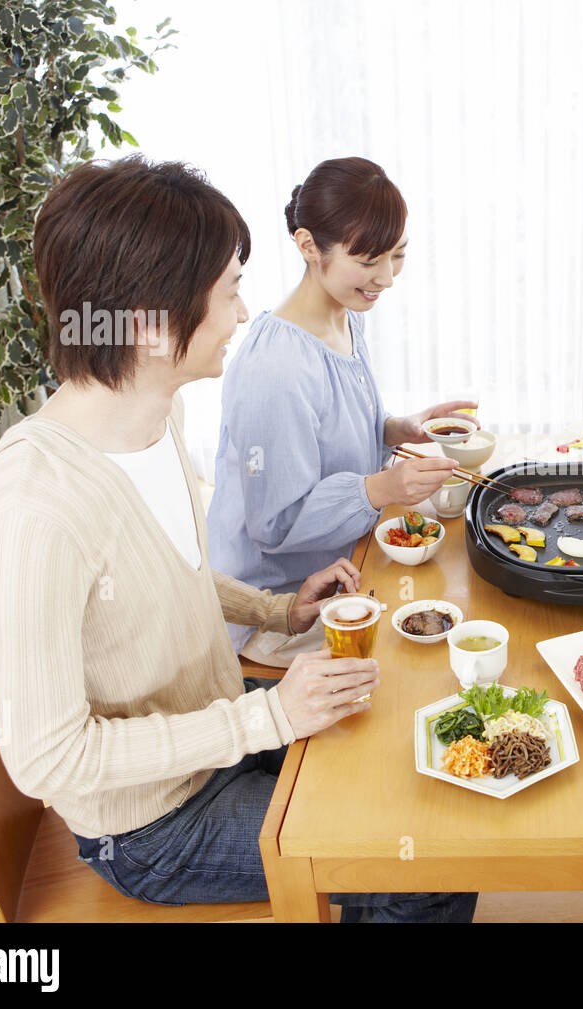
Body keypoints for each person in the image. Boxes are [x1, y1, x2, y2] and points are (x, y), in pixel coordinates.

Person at [0, 155, 475, 921]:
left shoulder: (154, 416)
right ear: (149, 318)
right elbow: (45, 756)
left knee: (405, 730)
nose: (243, 316)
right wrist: (265, 719)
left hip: (216, 726)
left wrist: (276, 612)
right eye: (229, 291)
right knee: (421, 859)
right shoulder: (33, 505)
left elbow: (171, 571)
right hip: (150, 824)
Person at [207, 157, 473, 666]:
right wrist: (382, 489)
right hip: (282, 606)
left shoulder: (346, 316)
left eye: (398, 257)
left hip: (343, 564)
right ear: (308, 246)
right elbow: (273, 522)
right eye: (369, 260)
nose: (387, 278)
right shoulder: (275, 368)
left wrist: (397, 428)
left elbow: (330, 434)